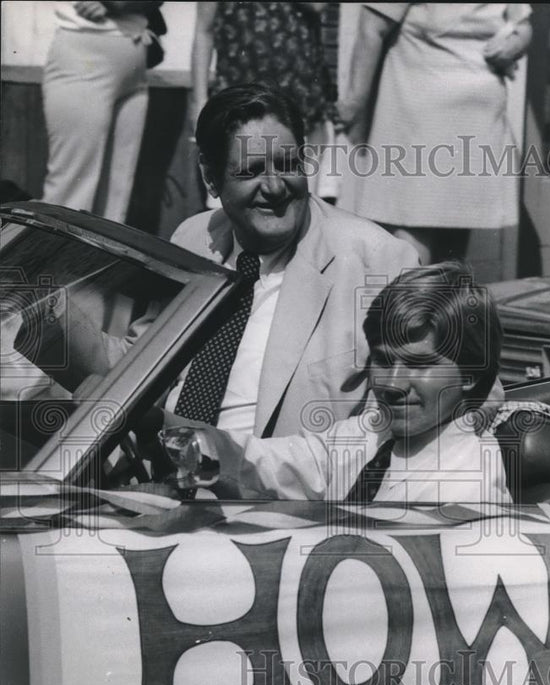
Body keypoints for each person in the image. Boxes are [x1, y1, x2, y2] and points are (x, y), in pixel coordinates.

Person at [124, 83, 420, 441]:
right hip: (158, 475)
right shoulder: (192, 238)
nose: (276, 187)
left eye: (287, 164)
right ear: (210, 177)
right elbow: (138, 365)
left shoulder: (377, 261)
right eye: (251, 171)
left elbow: (438, 399)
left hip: (276, 489)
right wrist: (52, 323)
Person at [162, 262, 511, 505]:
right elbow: (277, 464)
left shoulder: (467, 486)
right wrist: (189, 440)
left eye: (420, 365)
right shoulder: (367, 434)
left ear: (471, 375)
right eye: (383, 360)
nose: (392, 384)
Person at [337, 3, 532, 264]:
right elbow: (523, 26)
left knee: (411, 226)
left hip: (421, 108)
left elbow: (371, 30)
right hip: (472, 109)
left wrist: (352, 105)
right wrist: (513, 44)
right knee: (451, 229)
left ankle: (418, 304)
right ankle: (440, 303)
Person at [188, 2, 338, 200]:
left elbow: (318, 5)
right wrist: (199, 100)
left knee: (301, 201)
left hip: (302, 100)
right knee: (235, 197)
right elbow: (203, 31)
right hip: (239, 101)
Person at [41, 1, 163, 222]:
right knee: (69, 195)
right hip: (84, 56)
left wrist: (117, 5)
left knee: (115, 207)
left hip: (135, 58)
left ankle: (100, 258)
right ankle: (52, 256)